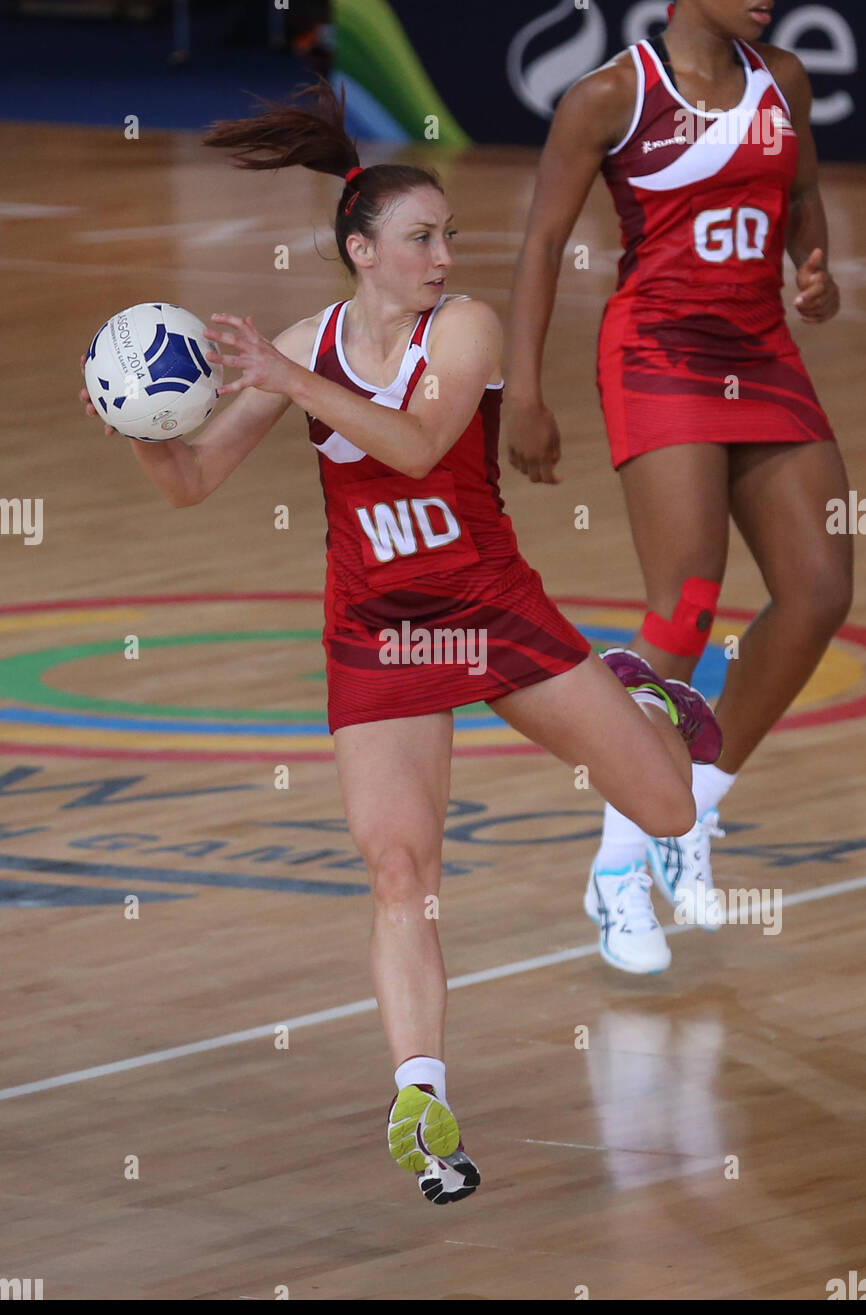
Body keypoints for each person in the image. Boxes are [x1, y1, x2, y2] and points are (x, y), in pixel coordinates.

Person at [79, 79, 717, 1202]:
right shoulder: (307, 340)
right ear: (361, 251)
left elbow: (422, 444)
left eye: (445, 238)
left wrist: (290, 379)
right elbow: (189, 482)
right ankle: (422, 1098)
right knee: (398, 870)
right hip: (377, 637)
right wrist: (136, 424)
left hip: (491, 612)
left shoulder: (456, 328)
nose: (439, 255)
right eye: (420, 239)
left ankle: (639, 695)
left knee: (667, 809)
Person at [505, 0, 852, 970]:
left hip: (761, 349)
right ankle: (617, 868)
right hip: (659, 353)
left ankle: (687, 808)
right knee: (687, 599)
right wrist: (523, 388)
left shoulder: (781, 77)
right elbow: (538, 245)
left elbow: (806, 198)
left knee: (820, 587)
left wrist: (810, 270)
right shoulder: (610, 95)